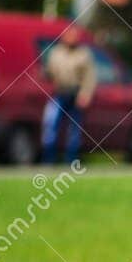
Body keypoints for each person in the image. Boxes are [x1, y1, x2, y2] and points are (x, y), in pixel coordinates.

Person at [41, 25, 96, 165]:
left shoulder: (83, 53)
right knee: (51, 125)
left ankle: (71, 160)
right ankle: (49, 159)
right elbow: (49, 72)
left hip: (75, 95)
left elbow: (89, 77)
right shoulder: (56, 53)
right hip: (59, 94)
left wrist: (85, 94)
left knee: (74, 130)